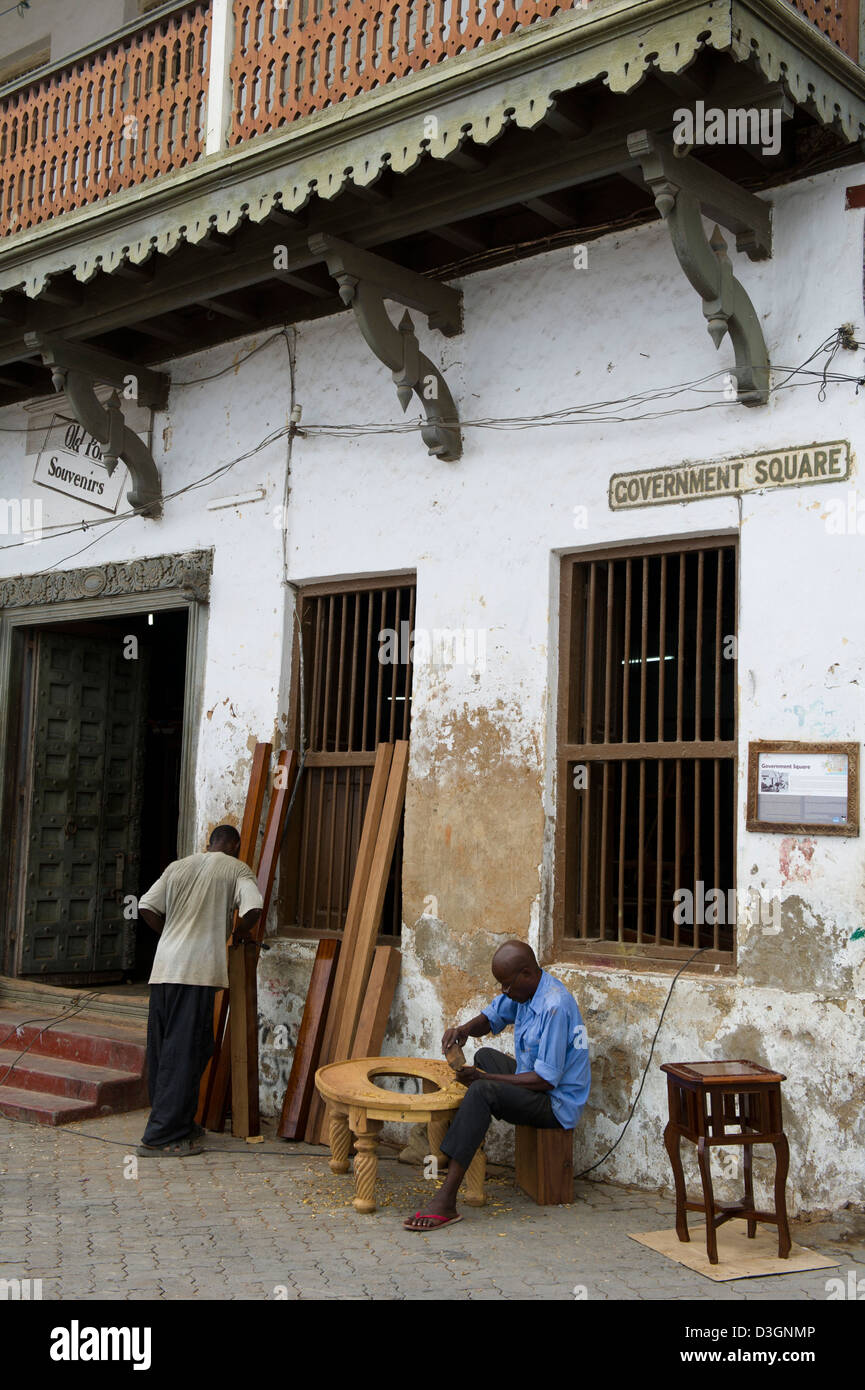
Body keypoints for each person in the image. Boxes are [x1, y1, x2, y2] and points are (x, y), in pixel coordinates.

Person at [403, 940, 590, 1231]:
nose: (504, 991)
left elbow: (544, 1080)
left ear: (526, 973)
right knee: (483, 1057)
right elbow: (491, 1018)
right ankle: (465, 1149)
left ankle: (447, 1199)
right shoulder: (526, 993)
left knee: (482, 1089)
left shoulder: (555, 1006)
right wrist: (463, 1030)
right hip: (535, 1082)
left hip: (555, 1103)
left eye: (506, 985)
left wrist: (485, 1079)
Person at [135, 825, 263, 1157]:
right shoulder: (236, 868)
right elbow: (253, 909)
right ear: (235, 845)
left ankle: (180, 1123)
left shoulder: (178, 866)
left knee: (169, 1049)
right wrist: (238, 931)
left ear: (209, 843)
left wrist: (170, 935)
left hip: (164, 969)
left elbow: (146, 907)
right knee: (187, 1051)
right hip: (197, 972)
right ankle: (160, 1136)